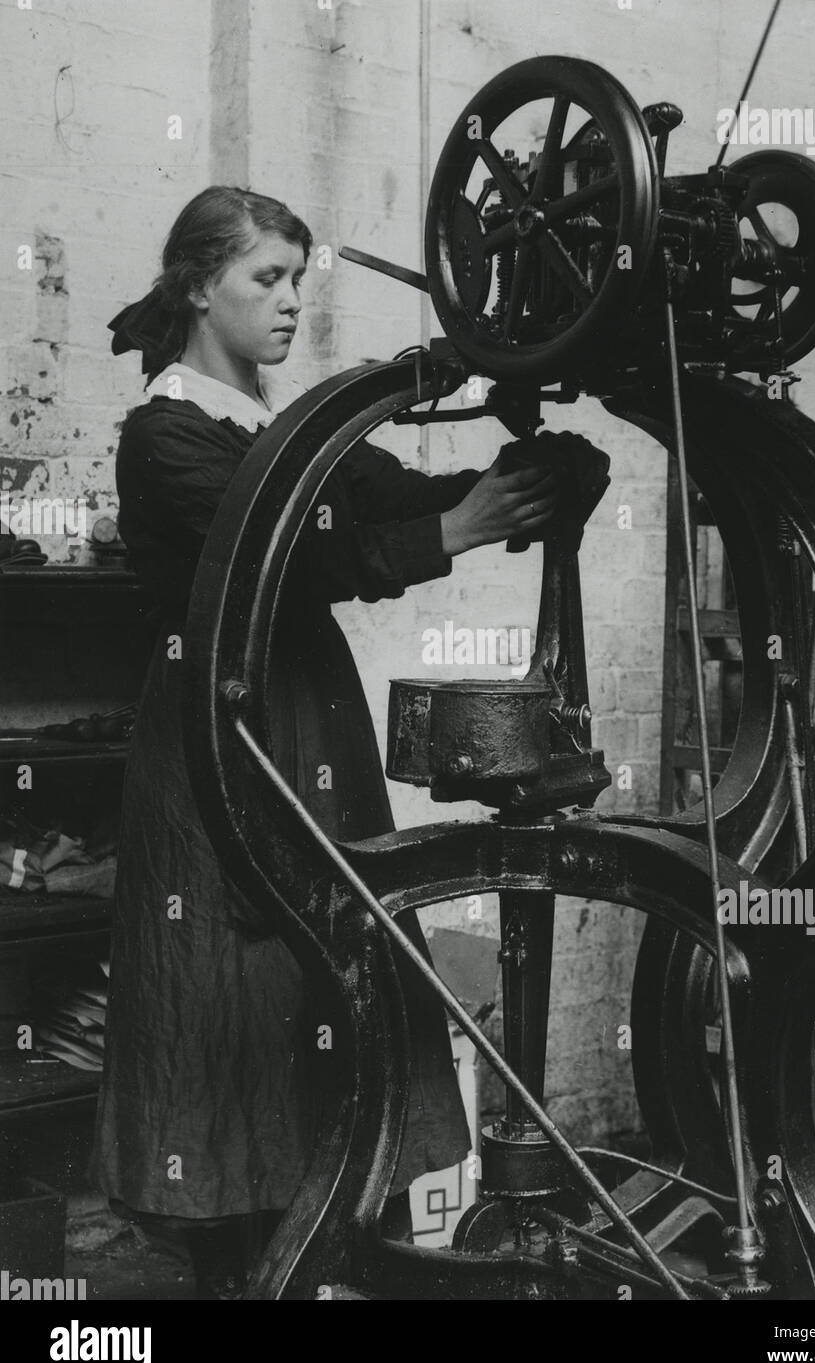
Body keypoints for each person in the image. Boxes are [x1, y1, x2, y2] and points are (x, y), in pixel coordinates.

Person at [91, 186, 565, 1298]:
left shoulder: (282, 424)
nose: (292, 302)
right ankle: (236, 1269)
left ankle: (316, 1249)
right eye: (268, 278)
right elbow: (289, 554)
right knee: (225, 989)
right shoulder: (165, 436)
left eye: (300, 279)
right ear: (199, 286)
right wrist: (459, 527)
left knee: (332, 965)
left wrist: (516, 490)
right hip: (222, 737)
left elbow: (390, 492)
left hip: (311, 725)